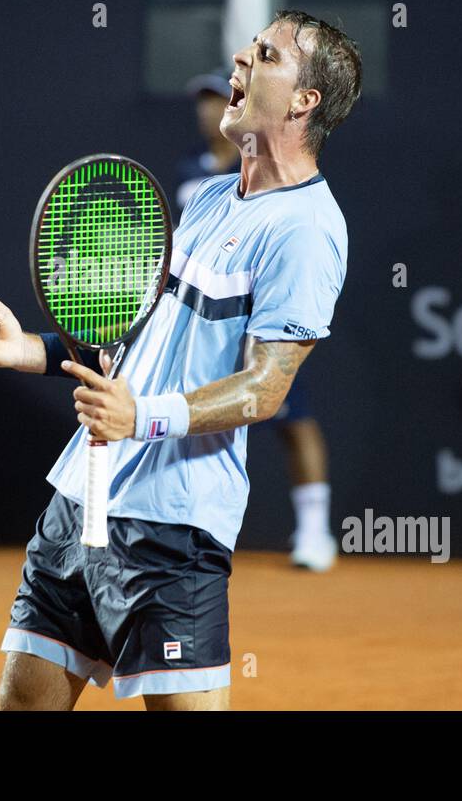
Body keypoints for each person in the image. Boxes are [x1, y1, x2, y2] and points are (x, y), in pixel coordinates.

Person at [0, 10, 362, 710]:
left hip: (174, 531)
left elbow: (268, 389)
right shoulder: (207, 198)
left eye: (264, 54)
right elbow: (129, 336)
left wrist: (140, 418)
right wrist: (26, 349)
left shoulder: (309, 230)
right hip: (82, 499)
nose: (239, 58)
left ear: (305, 100)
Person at [176, 68, 338, 572]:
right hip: (202, 321)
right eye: (203, 101)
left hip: (259, 316)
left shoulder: (285, 191)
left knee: (290, 417)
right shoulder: (196, 179)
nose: (209, 108)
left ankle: (314, 533)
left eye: (217, 98)